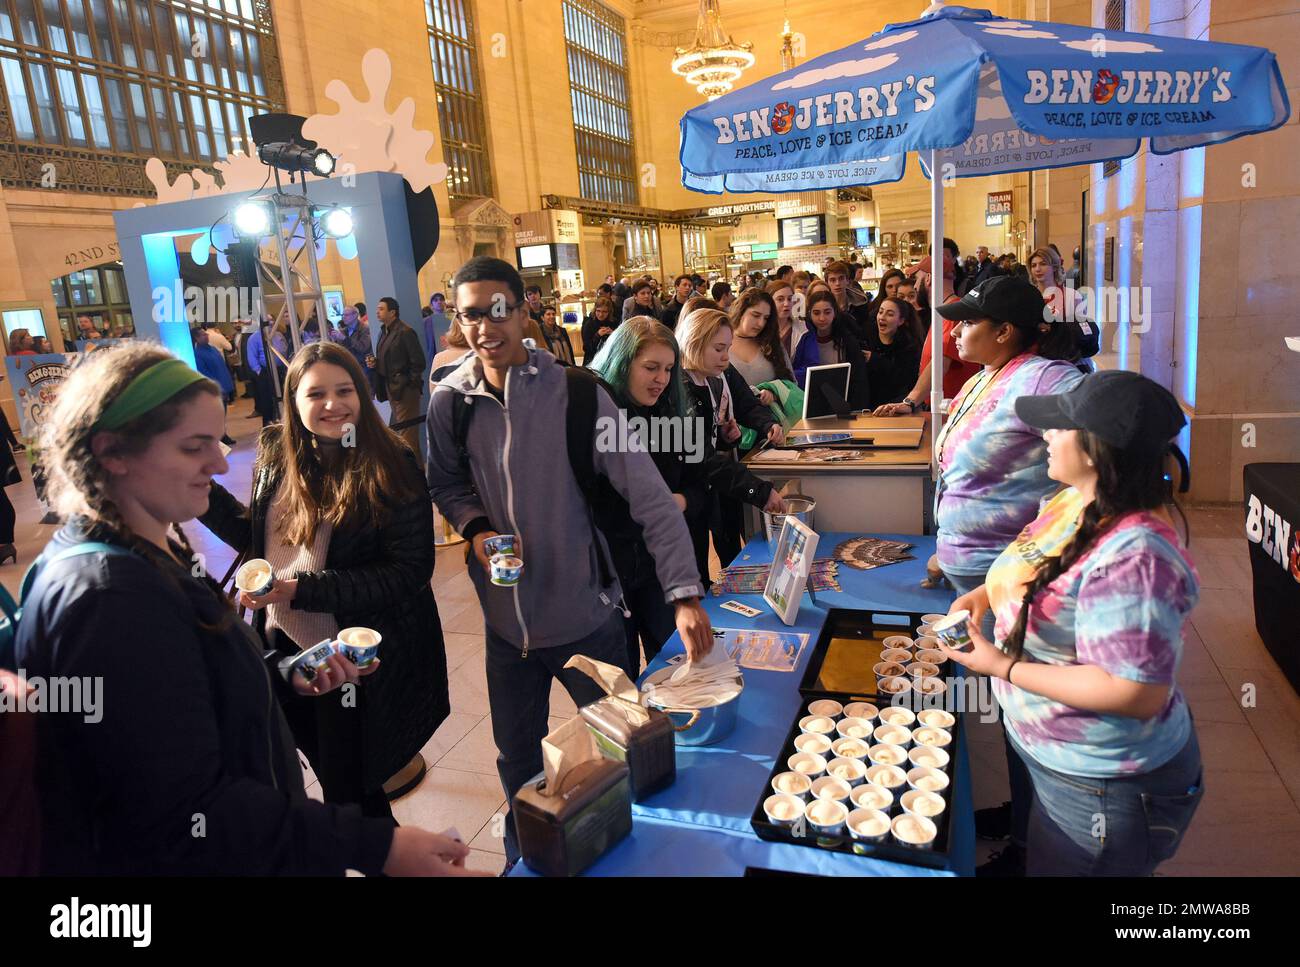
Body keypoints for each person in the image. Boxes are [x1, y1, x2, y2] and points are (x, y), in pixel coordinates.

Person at [14, 342, 477, 875]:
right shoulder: (108, 600)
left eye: (216, 442)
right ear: (113, 453)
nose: (218, 462)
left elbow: (197, 690)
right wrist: (380, 849)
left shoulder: (140, 548)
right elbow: (194, 806)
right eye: (195, 447)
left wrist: (283, 673)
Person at [426, 256, 712, 867]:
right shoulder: (450, 403)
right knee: (519, 762)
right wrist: (477, 531)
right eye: (471, 314)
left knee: (620, 749)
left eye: (498, 310)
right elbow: (446, 485)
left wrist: (683, 594)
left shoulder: (577, 395)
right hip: (508, 633)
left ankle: (638, 855)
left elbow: (651, 499)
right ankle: (523, 858)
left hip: (589, 622)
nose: (485, 327)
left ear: (524, 310)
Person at [943, 370, 1202, 877]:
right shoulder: (1072, 497)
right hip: (1057, 756)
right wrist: (985, 594)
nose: (1045, 434)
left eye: (1059, 427)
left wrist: (1003, 666)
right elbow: (1033, 564)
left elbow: (1133, 690)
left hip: (1101, 779)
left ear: (1094, 449)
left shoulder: (1137, 554)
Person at [201, 340, 449, 821]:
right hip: (281, 650)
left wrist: (299, 589)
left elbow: (409, 570)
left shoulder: (390, 461)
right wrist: (193, 481)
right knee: (338, 785)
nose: (333, 405)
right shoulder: (277, 452)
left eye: (345, 390)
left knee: (348, 791)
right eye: (315, 394)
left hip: (348, 658)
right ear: (293, 401)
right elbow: (259, 536)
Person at [929, 276, 1083, 636]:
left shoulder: (1044, 379)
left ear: (1004, 332)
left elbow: (1092, 470)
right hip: (968, 569)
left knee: (1002, 682)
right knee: (977, 677)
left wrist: (1039, 552)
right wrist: (947, 546)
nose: (954, 332)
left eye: (967, 323)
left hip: (1008, 575)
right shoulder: (981, 377)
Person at [587, 319, 709, 669]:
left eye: (669, 369)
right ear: (622, 363)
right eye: (651, 368)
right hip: (609, 576)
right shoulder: (593, 418)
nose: (661, 379)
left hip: (659, 570)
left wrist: (678, 502)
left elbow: (701, 483)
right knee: (619, 682)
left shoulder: (673, 417)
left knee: (673, 667)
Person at [676, 307, 783, 572]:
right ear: (694, 342)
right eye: (719, 349)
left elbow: (744, 405)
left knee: (725, 549)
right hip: (689, 492)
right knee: (696, 567)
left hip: (707, 486)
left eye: (728, 349)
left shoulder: (716, 373)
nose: (726, 357)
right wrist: (757, 490)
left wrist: (727, 438)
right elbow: (700, 458)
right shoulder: (680, 388)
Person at [791, 289, 870, 409]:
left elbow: (859, 381)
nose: (822, 318)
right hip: (808, 402)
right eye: (816, 313)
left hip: (842, 402)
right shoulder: (803, 339)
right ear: (809, 313)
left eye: (827, 312)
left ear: (835, 312)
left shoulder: (847, 340)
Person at [369, 297, 425, 452]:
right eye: (377, 308)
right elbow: (390, 359)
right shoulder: (384, 332)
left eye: (381, 309)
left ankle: (415, 473)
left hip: (404, 389)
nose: (377, 312)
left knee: (408, 437)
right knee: (404, 435)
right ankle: (415, 471)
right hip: (391, 388)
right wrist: (375, 363)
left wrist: (409, 384)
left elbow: (418, 362)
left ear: (392, 312)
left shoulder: (405, 332)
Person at [1029, 246, 1099, 368]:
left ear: (1055, 267)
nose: (1037, 269)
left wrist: (1055, 329)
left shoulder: (1072, 296)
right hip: (1037, 362)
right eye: (1034, 265)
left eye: (1043, 264)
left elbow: (1079, 330)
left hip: (1069, 362)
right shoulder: (1028, 297)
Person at [727, 287, 794, 397]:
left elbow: (791, 383)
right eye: (756, 315)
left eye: (766, 318)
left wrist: (774, 394)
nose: (761, 323)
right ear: (741, 311)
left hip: (770, 412)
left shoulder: (772, 343)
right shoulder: (721, 342)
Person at [865, 297, 922, 409]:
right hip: (867, 409)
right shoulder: (865, 340)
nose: (882, 317)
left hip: (896, 407)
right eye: (880, 312)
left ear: (901, 321)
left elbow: (904, 381)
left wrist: (876, 360)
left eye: (889, 314)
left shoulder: (910, 347)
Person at [191, 327, 237, 447]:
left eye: (205, 334)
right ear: (196, 338)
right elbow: (204, 373)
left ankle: (223, 434)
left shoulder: (212, 349)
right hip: (215, 388)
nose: (206, 336)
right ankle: (219, 436)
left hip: (224, 385)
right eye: (202, 335)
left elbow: (222, 366)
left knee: (223, 413)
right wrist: (216, 387)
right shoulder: (198, 354)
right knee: (217, 414)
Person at [824, 260, 871, 340]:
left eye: (841, 278)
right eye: (833, 280)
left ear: (848, 281)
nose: (837, 283)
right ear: (827, 283)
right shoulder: (823, 306)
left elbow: (865, 333)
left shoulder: (861, 304)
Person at [331, 305, 373, 389]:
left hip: (362, 367)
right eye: (343, 315)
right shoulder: (343, 331)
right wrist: (334, 340)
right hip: (348, 367)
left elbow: (363, 347)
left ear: (355, 315)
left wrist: (344, 339)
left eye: (346, 315)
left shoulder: (365, 329)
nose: (344, 317)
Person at [766, 279, 805, 369]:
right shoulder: (761, 329)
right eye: (780, 299)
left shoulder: (803, 329)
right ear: (769, 302)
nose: (786, 304)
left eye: (790, 299)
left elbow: (809, 365)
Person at [581, 296, 617, 364]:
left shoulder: (613, 323)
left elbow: (618, 345)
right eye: (598, 311)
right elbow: (587, 348)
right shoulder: (588, 324)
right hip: (592, 361)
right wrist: (597, 335)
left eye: (604, 312)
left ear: (609, 312)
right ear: (595, 310)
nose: (601, 315)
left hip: (608, 360)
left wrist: (613, 334)